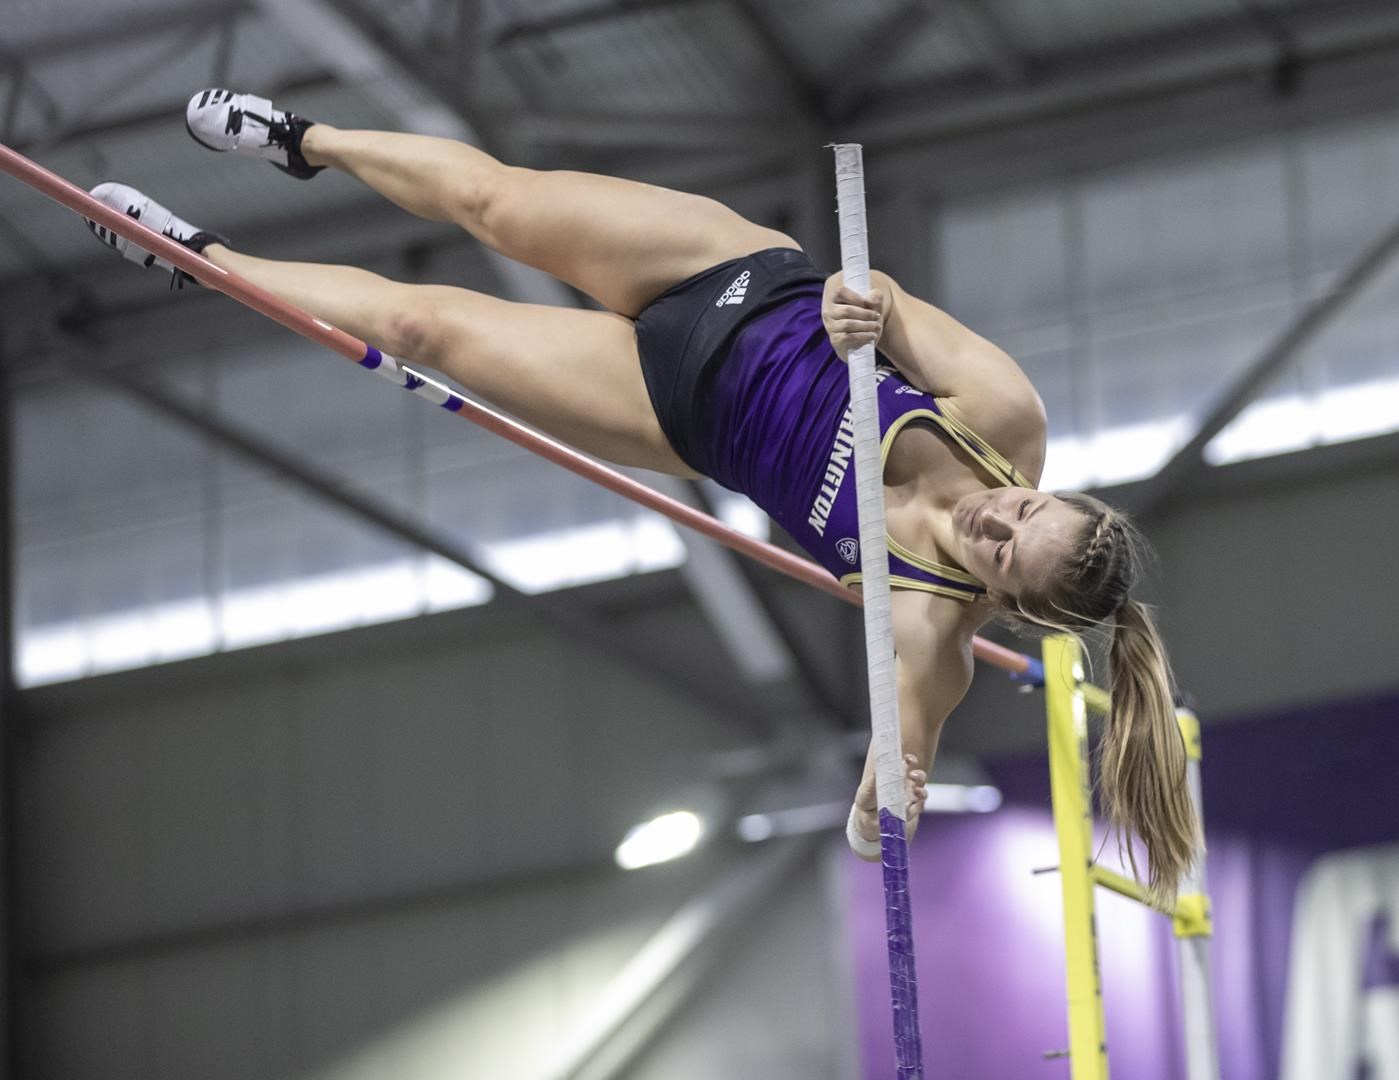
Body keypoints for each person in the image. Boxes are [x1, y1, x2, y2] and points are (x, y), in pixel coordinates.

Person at [86, 89, 1200, 901]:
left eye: (1005, 553)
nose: (995, 520)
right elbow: (889, 296)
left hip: (672, 409)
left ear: (1004, 599)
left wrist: (879, 811)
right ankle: (303, 139)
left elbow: (889, 764)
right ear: (1049, 490)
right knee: (493, 201)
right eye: (1026, 510)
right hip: (732, 276)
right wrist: (865, 310)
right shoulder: (1006, 420)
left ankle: (193, 256)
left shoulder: (925, 623)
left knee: (422, 329)